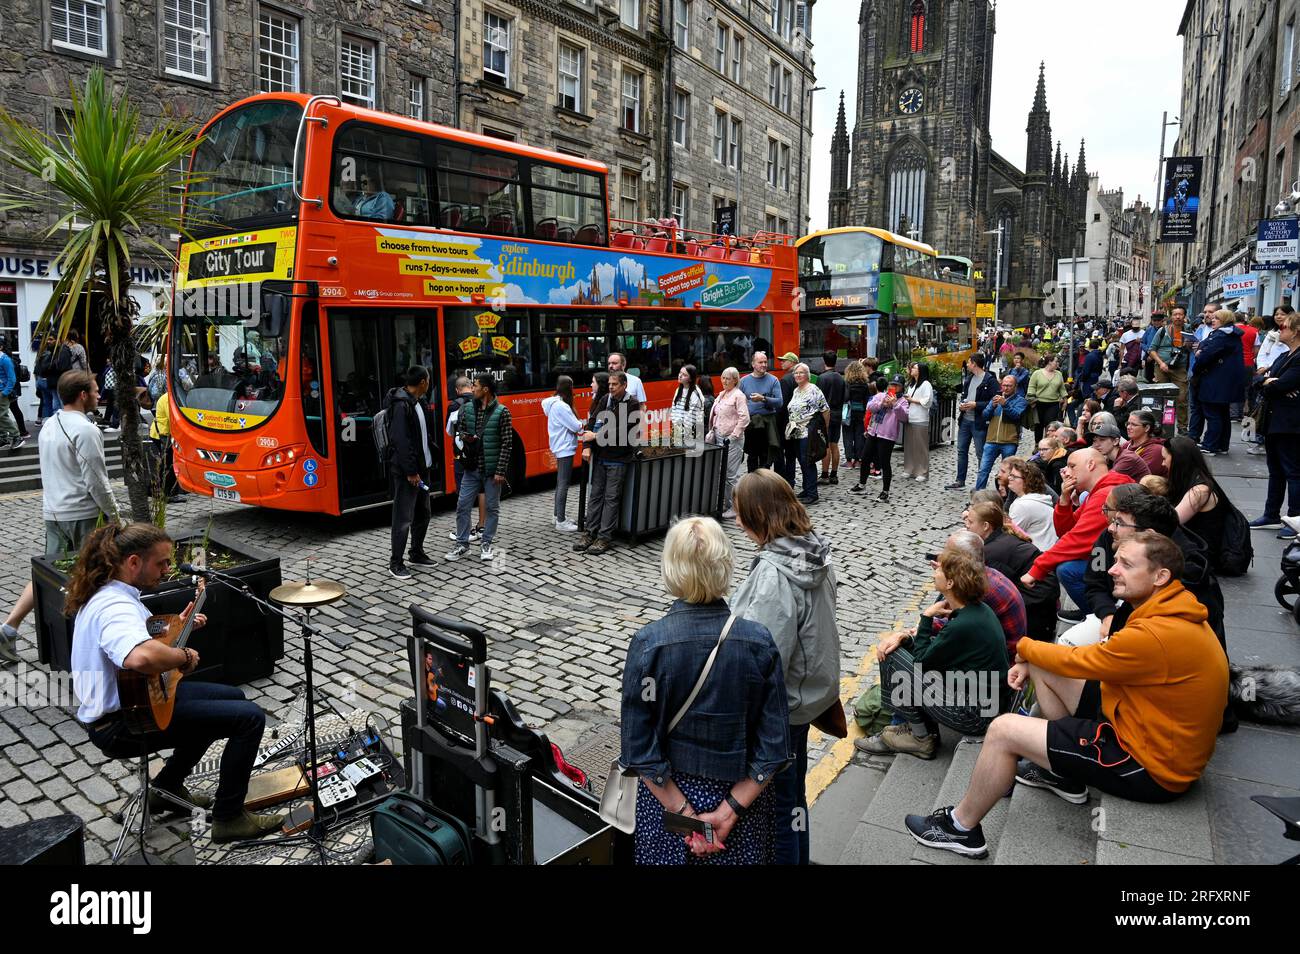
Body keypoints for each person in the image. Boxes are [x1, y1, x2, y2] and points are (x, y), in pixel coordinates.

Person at [906, 531, 1228, 858]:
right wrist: (1034, 660)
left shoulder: (1156, 633)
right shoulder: (1168, 608)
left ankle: (961, 829)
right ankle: (1060, 772)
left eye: (1126, 564)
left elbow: (1085, 661)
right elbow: (1080, 664)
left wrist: (1025, 649)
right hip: (1142, 727)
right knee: (1048, 667)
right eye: (1115, 561)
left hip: (1149, 766)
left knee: (1003, 729)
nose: (1112, 569)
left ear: (1160, 576)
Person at [69, 522, 286, 843]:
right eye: (161, 562)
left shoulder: (111, 593)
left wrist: (178, 628)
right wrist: (182, 656)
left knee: (231, 697)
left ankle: (166, 786)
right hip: (121, 724)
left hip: (134, 702)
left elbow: (142, 641)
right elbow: (140, 658)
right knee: (250, 718)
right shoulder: (115, 607)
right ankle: (228, 818)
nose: (168, 569)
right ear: (133, 563)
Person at [619, 517, 790, 865]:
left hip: (668, 805)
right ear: (725, 565)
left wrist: (685, 814)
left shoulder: (649, 644)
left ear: (671, 569)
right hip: (741, 806)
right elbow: (774, 748)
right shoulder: (758, 643)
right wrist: (727, 813)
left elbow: (638, 751)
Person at [729, 470, 841, 865]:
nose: (736, 520)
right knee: (792, 798)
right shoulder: (808, 550)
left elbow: (764, 654)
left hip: (785, 705)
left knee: (779, 807)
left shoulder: (775, 575)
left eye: (740, 511)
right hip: (805, 696)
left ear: (757, 515)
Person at [0, 371, 122, 664]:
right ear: (82, 395)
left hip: (54, 511)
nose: (99, 395)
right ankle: (94, 645)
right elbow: (97, 481)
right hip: (83, 513)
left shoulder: (49, 425)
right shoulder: (86, 430)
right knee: (97, 577)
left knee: (47, 574)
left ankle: (9, 627)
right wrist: (116, 516)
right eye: (95, 391)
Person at [858, 541, 1009, 761]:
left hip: (974, 715)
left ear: (950, 582)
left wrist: (927, 616)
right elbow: (936, 654)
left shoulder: (963, 624)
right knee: (900, 652)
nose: (935, 569)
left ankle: (920, 737)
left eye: (940, 569)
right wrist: (908, 640)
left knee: (890, 657)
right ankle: (910, 728)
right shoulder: (977, 611)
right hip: (986, 704)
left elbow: (922, 661)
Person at [1022, 448, 1133, 608]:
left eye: (1072, 466)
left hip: (1119, 560)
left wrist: (1037, 569)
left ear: (1090, 465)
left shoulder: (1104, 495)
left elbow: (1077, 539)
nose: (1066, 472)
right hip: (1115, 555)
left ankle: (1098, 614)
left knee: (1068, 570)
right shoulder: (1099, 491)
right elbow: (1066, 531)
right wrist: (1065, 500)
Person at [964, 500, 1058, 643]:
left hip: (1035, 616)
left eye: (970, 522)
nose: (967, 526)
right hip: (1041, 606)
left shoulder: (992, 552)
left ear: (985, 526)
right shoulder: (1001, 537)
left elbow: (983, 590)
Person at [574, 370, 642, 555]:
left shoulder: (632, 404)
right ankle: (590, 533)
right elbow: (592, 421)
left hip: (619, 458)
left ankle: (604, 537)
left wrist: (596, 436)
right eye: (610, 384)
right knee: (595, 496)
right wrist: (587, 445)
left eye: (615, 384)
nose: (611, 387)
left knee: (611, 499)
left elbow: (623, 431)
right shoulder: (605, 399)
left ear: (624, 385)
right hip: (601, 456)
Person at [447, 374, 512, 562]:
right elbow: (460, 433)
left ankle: (486, 543)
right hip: (472, 468)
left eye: (475, 385)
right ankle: (462, 544)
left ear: (485, 389)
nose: (472, 388)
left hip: (492, 471)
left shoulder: (502, 412)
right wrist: (466, 438)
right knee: (462, 505)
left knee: (493, 508)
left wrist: (500, 470)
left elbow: (507, 444)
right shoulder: (466, 409)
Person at [1248, 308, 1300, 539]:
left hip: (1291, 423)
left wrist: (1272, 383)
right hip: (1273, 420)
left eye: (1283, 327)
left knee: (1293, 471)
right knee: (1276, 471)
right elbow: (1258, 379)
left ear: (1296, 331)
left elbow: (1278, 385)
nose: (1278, 329)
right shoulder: (1283, 355)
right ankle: (1271, 514)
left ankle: (1295, 518)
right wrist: (1268, 381)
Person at [383, 366, 436, 580]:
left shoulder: (418, 402)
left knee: (424, 512)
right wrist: (411, 471)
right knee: (403, 517)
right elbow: (401, 441)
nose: (430, 383)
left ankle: (417, 553)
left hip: (423, 468)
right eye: (429, 380)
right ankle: (396, 562)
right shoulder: (401, 405)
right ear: (422, 382)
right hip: (409, 473)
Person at [1192, 309, 1246, 456]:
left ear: (1224, 320)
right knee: (1222, 414)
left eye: (1216, 318)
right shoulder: (1231, 334)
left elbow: (1206, 356)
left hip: (1215, 380)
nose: (1213, 320)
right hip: (1225, 381)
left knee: (1213, 414)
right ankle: (1222, 445)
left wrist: (1199, 356)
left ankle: (1210, 445)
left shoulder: (1221, 336)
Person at [945, 353, 997, 491]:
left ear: (974, 363)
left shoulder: (989, 380)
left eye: (968, 362)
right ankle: (960, 480)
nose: (967, 365)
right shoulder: (968, 379)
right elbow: (965, 396)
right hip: (965, 420)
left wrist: (976, 405)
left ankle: (981, 484)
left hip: (979, 422)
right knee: (961, 450)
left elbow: (994, 401)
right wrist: (962, 404)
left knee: (981, 453)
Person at [853, 375, 908, 502]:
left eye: (896, 385)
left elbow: (904, 418)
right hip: (874, 432)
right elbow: (870, 406)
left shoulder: (903, 401)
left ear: (901, 388)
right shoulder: (881, 396)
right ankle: (862, 485)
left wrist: (895, 405)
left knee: (885, 463)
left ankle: (885, 491)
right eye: (892, 385)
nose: (893, 387)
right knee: (865, 458)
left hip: (887, 436)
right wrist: (882, 404)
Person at [445, 376, 486, 543]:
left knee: (465, 491)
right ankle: (482, 526)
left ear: (457, 390)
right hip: (481, 453)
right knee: (482, 489)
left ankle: (466, 531)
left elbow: (449, 431)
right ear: (471, 387)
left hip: (463, 455)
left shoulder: (455, 405)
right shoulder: (482, 402)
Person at [781, 363, 829, 504]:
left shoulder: (814, 389)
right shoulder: (796, 390)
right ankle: (807, 489)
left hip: (808, 432)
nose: (798, 375)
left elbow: (825, 410)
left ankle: (813, 494)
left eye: (801, 373)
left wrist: (824, 429)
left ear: (807, 375)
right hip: (795, 432)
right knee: (802, 462)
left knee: (808, 461)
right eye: (796, 373)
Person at [543, 376, 584, 532]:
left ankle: (557, 515)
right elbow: (575, 426)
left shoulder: (554, 403)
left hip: (560, 446)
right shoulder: (562, 406)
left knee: (561, 482)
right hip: (565, 447)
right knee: (563, 484)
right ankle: (561, 521)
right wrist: (583, 424)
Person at [707, 366, 750, 518]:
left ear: (735, 380)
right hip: (719, 437)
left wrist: (733, 436)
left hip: (732, 440)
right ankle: (727, 503)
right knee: (723, 473)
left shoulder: (738, 396)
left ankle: (735, 507)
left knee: (731, 475)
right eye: (723, 378)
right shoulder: (722, 394)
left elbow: (745, 418)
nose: (725, 381)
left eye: (728, 378)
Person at [974, 374, 1027, 491]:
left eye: (1009, 385)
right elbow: (985, 415)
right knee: (983, 470)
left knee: (1007, 472)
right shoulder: (995, 398)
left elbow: (1016, 416)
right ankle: (977, 497)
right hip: (991, 440)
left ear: (1015, 387)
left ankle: (1005, 496)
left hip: (1009, 441)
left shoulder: (1021, 401)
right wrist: (991, 406)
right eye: (1004, 385)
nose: (1006, 388)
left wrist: (1005, 404)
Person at [1150, 305, 1194, 431]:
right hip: (1162, 367)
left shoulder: (1188, 330)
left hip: (1179, 367)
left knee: (1182, 398)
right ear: (1171, 316)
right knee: (1161, 397)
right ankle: (1159, 425)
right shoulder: (1162, 331)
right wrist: (1161, 363)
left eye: (1180, 314)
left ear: (1184, 316)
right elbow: (1152, 350)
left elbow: (1194, 348)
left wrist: (1190, 345)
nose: (1178, 317)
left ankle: (1182, 427)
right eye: (1175, 314)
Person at [739, 351, 782, 471]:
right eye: (760, 362)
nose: (763, 365)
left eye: (765, 362)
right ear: (753, 364)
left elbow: (779, 402)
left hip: (768, 423)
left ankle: (765, 485)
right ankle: (752, 485)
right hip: (751, 424)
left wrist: (763, 398)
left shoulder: (773, 380)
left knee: (766, 457)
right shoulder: (744, 381)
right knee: (752, 457)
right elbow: (737, 402)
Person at [1005, 458, 1058, 552]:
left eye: (1014, 476)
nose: (1009, 478)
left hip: (1038, 554)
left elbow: (1010, 535)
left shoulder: (1024, 505)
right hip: (1046, 549)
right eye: (1010, 475)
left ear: (1027, 481)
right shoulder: (1037, 498)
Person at [1087, 411, 1149, 480]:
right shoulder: (1111, 458)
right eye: (1094, 441)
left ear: (1115, 441)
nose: (1096, 445)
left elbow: (1104, 481)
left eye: (1102, 440)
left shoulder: (1127, 459)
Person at [815, 352, 846, 484]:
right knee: (835, 444)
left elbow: (817, 399)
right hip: (838, 413)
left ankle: (825, 474)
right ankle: (834, 474)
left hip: (825, 415)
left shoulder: (822, 378)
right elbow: (845, 397)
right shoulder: (840, 378)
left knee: (826, 445)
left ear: (824, 361)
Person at [1026, 353, 1067, 444]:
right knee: (1039, 425)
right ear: (1049, 362)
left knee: (1050, 425)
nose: (1057, 364)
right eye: (1056, 362)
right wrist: (1031, 397)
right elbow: (1031, 387)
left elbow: (1062, 388)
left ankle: (1049, 443)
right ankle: (1038, 444)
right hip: (1038, 403)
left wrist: (1065, 400)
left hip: (1053, 403)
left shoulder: (1059, 374)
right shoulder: (1037, 373)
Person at [903, 361, 933, 482]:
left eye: (914, 368)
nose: (912, 370)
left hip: (920, 418)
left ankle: (923, 471)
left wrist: (912, 400)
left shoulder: (926, 384)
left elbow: (927, 401)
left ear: (920, 370)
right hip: (910, 417)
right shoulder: (911, 384)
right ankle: (910, 469)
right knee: (910, 446)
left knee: (921, 446)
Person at [843, 360, 870, 470]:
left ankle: (849, 461)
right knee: (859, 436)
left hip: (848, 412)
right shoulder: (864, 384)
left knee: (847, 436)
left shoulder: (847, 383)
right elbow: (867, 400)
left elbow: (844, 398)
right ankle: (858, 461)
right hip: (861, 412)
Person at [669, 364, 705, 449]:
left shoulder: (695, 393)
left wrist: (684, 434)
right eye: (680, 373)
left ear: (691, 379)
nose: (680, 376)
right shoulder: (678, 390)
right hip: (678, 432)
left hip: (689, 434)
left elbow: (691, 417)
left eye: (684, 375)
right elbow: (673, 409)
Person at [1124, 408, 1167, 477]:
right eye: (1128, 424)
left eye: (1134, 425)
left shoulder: (1156, 450)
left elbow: (1140, 476)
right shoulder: (1126, 445)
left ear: (1147, 428)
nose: (1128, 427)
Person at [0, 347, 23, 449]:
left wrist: (5, 392)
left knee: (1, 416)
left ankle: (17, 437)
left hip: (2, 393)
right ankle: (3, 438)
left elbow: (12, 378)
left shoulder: (5, 360)